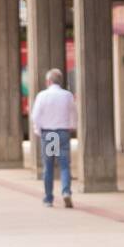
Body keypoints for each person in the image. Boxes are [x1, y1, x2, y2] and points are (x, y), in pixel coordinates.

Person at [30, 68, 77, 208]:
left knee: (49, 167)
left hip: (49, 134)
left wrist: (37, 130)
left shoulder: (42, 95)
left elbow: (35, 116)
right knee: (64, 166)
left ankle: (49, 198)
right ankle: (66, 192)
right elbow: (74, 113)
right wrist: (72, 126)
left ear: (48, 81)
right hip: (62, 132)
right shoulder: (67, 95)